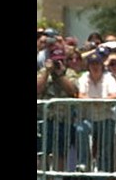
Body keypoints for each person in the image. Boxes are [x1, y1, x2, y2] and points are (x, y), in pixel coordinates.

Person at [37, 43, 82, 171]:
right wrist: (47, 72)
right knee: (43, 153)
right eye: (56, 60)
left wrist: (59, 75)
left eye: (61, 59)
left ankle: (58, 176)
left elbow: (72, 91)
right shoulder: (43, 72)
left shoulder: (70, 73)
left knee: (61, 154)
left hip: (64, 121)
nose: (58, 62)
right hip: (45, 119)